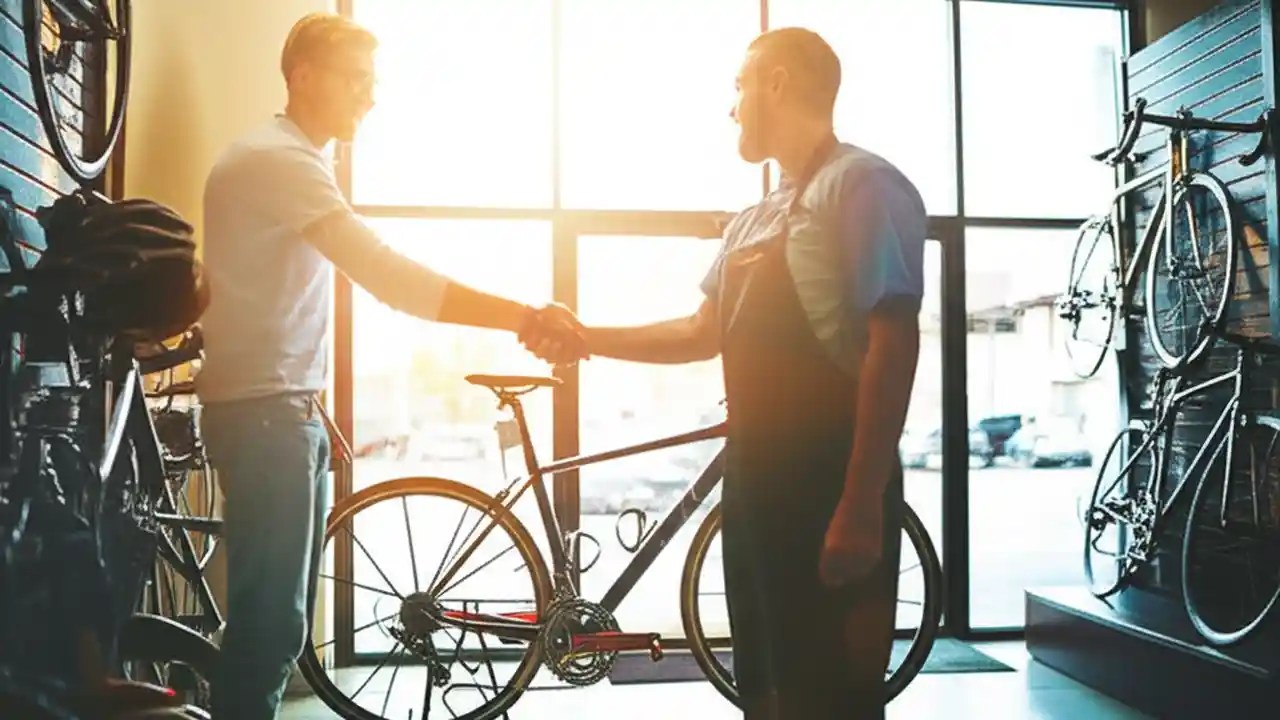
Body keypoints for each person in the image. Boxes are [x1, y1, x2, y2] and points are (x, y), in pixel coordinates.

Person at [527, 27, 925, 719]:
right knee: (766, 686)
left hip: (830, 480)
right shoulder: (752, 220)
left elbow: (892, 343)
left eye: (739, 86)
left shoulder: (863, 186)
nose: (732, 107)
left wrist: (861, 504)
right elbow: (696, 332)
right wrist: (584, 336)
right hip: (754, 482)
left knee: (833, 694)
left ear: (776, 82)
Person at [195, 13, 581, 720]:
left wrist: (312, 403)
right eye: (357, 80)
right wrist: (522, 316)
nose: (369, 97)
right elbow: (388, 277)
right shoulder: (276, 159)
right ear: (304, 74)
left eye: (373, 83)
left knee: (273, 621)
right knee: (271, 625)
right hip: (264, 413)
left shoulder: (295, 159)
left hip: (283, 408)